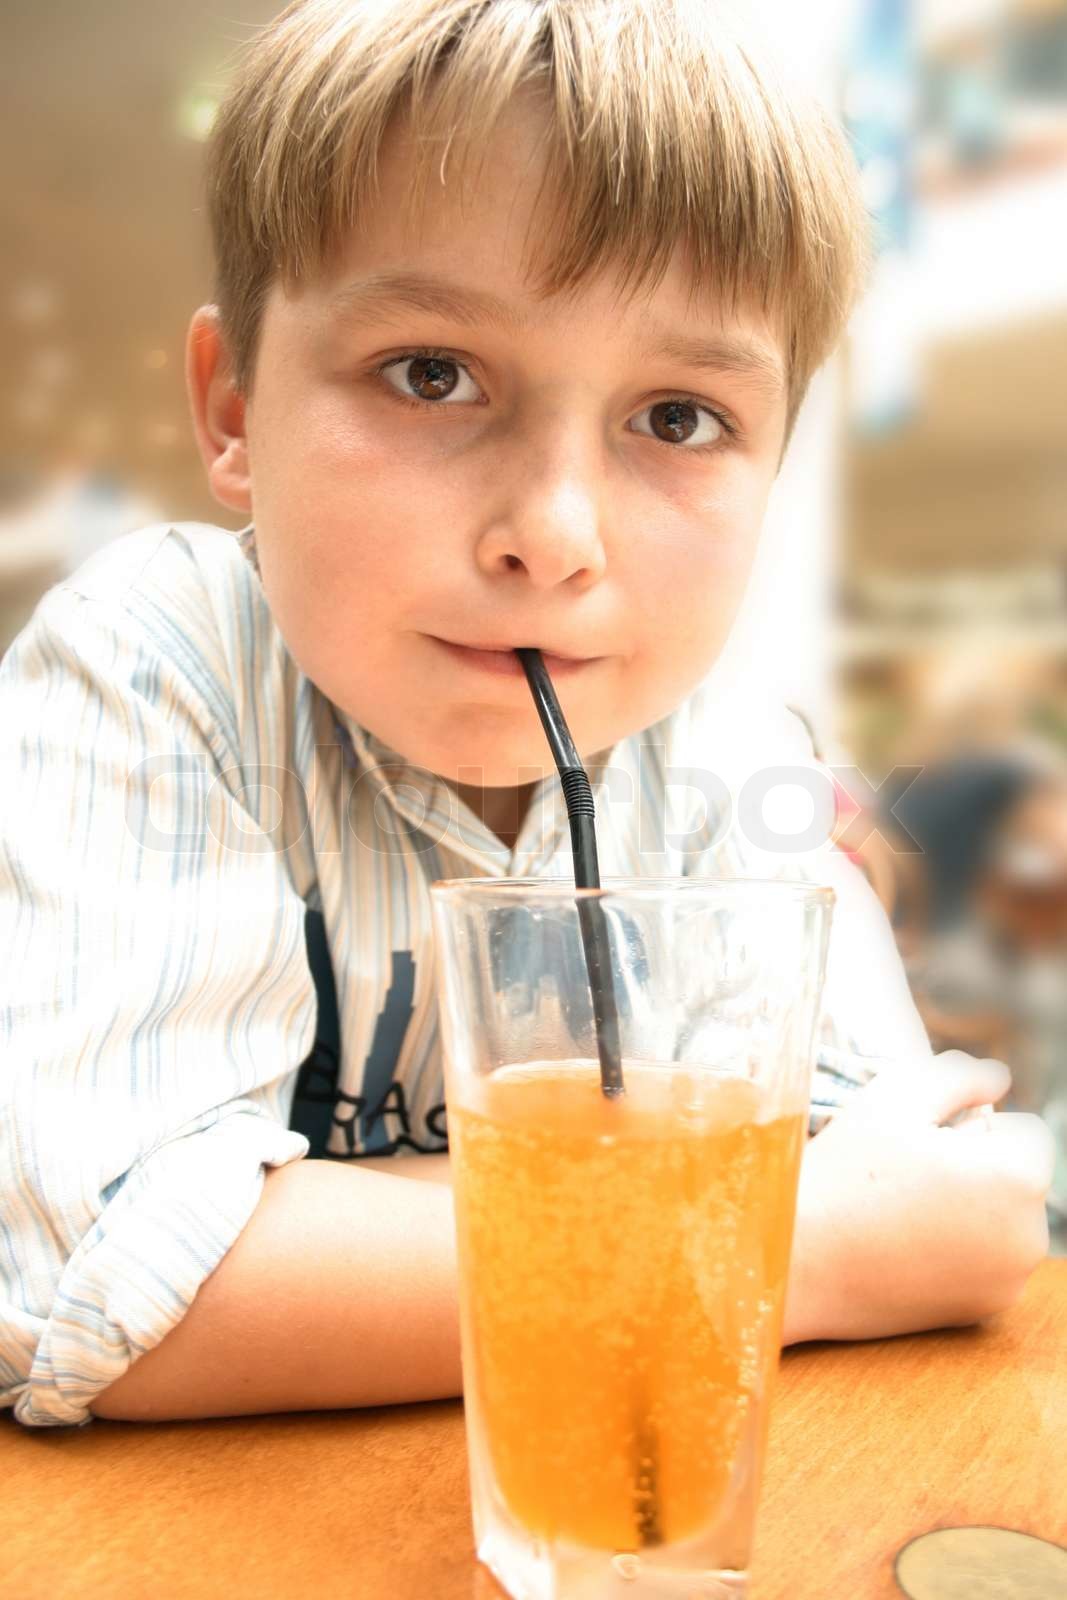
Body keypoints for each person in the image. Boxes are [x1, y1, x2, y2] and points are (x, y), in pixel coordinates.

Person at [0, 0, 1052, 1430]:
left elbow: (911, 1173)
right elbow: (116, 1291)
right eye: (431, 374)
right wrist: (781, 1243)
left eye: (676, 417)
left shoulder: (740, 749)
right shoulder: (157, 662)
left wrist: (332, 1234)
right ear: (234, 410)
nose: (553, 536)